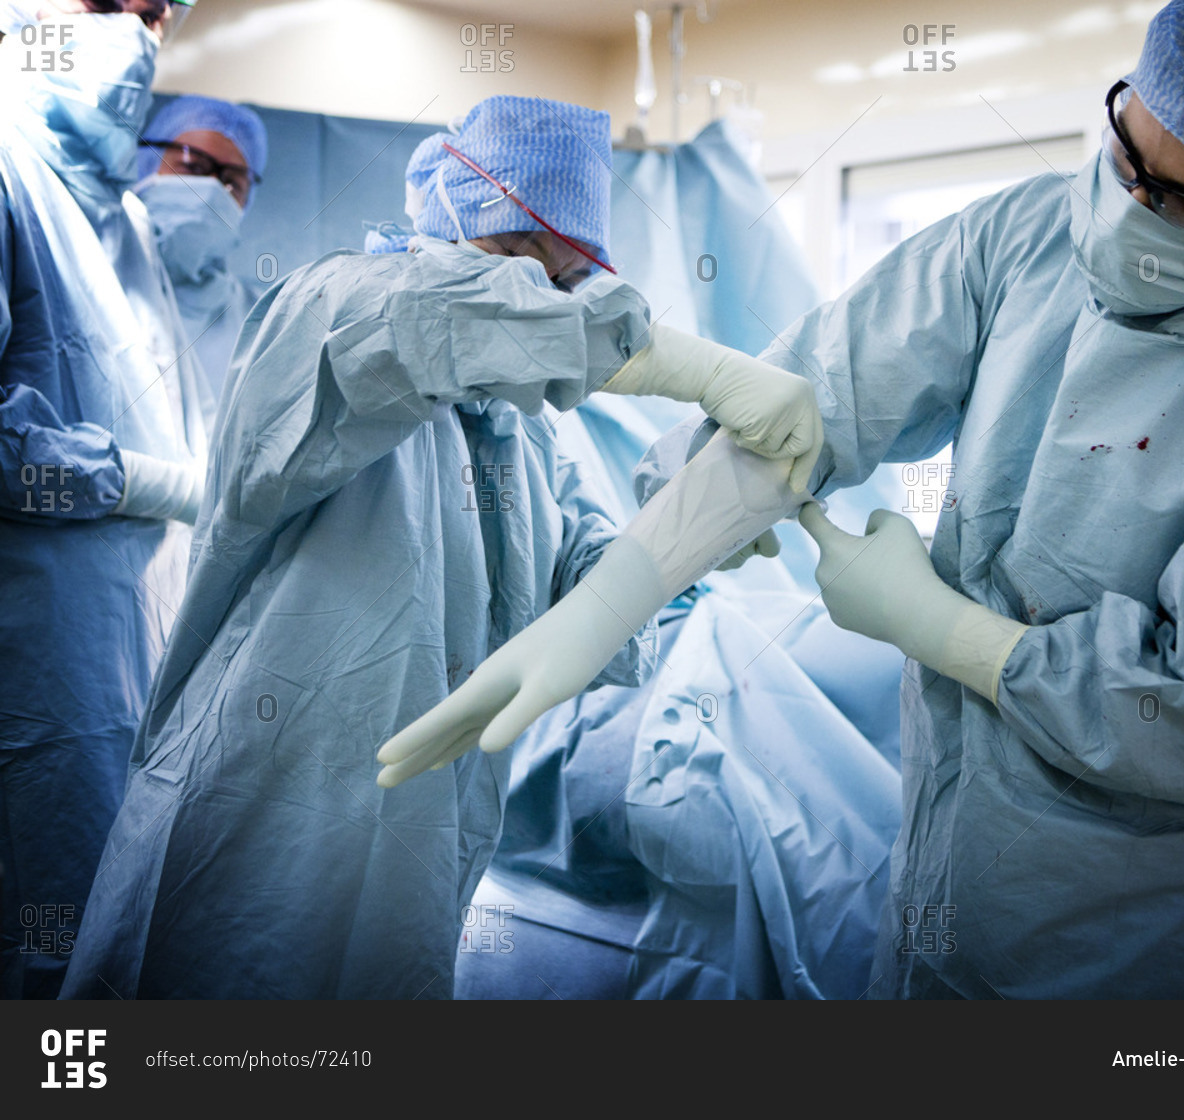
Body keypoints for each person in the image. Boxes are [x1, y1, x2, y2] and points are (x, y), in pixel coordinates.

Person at [379, 0, 1184, 999]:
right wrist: (612, 597)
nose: (1131, 207)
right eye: (1126, 153)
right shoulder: (1028, 237)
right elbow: (814, 400)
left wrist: (950, 633)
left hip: (1140, 945)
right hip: (938, 897)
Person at [60, 93, 822, 999]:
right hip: (253, 826)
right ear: (455, 212)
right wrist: (684, 364)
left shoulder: (521, 433)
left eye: (569, 278)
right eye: (520, 257)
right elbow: (442, 319)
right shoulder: (332, 311)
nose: (542, 296)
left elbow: (588, 583)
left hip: (419, 855)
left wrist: (693, 527)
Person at [0, 0, 206, 998]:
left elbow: (181, 421)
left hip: (139, 674)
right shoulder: (7, 171)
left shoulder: (127, 221)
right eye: (102, 2)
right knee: (41, 951)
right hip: (36, 684)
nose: (135, 31)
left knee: (122, 957)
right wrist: (141, 480)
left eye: (157, 10)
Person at [134, 94, 268, 414]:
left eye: (231, 183)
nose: (210, 190)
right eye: (193, 168)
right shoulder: (96, 280)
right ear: (146, 163)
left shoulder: (258, 323)